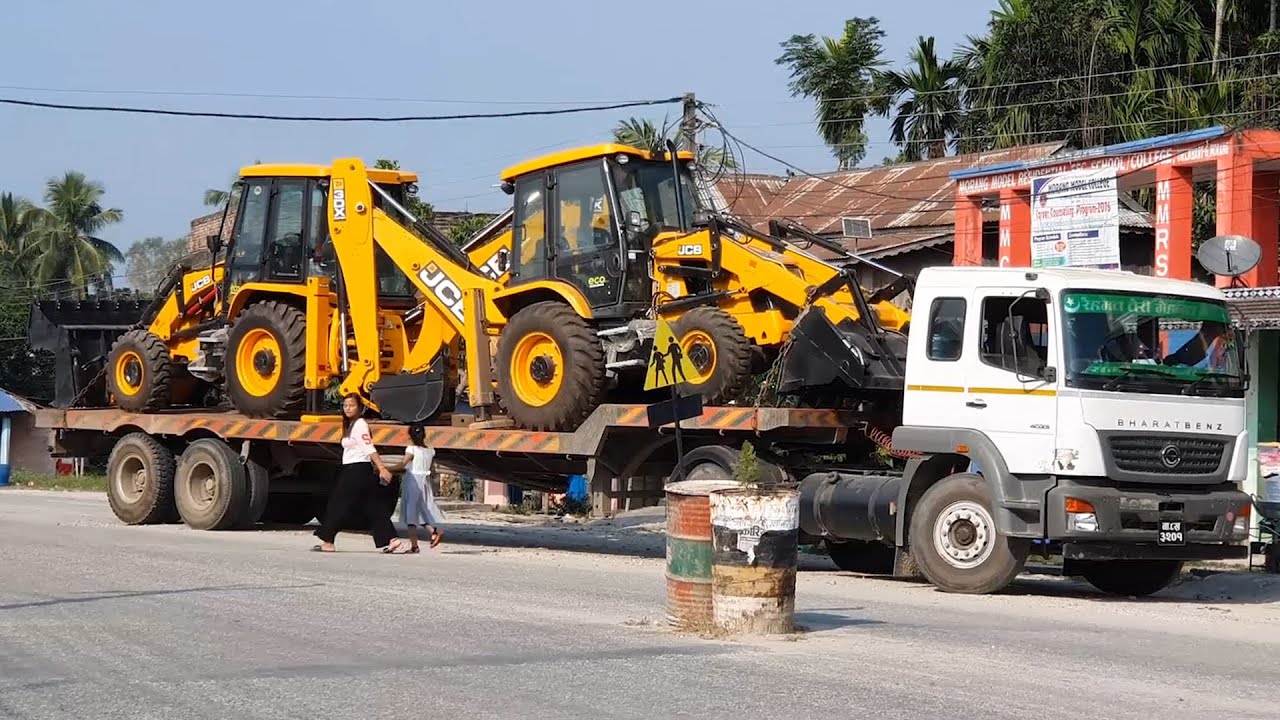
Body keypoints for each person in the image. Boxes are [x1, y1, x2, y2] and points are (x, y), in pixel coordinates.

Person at [312, 394, 403, 554]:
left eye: (352, 405)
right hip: (355, 469)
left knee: (337, 504)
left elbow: (369, 448)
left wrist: (382, 468)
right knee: (372, 506)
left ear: (360, 408)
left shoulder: (360, 425)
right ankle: (392, 540)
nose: (348, 408)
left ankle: (328, 540)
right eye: (345, 405)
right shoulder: (351, 425)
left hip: (356, 470)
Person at [390, 424, 444, 553]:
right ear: (424, 435)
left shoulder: (411, 449)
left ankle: (415, 545)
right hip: (425, 482)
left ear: (410, 436)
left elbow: (403, 464)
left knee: (411, 514)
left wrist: (386, 468)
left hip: (413, 482)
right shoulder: (430, 451)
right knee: (420, 511)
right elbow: (432, 470)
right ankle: (433, 532)